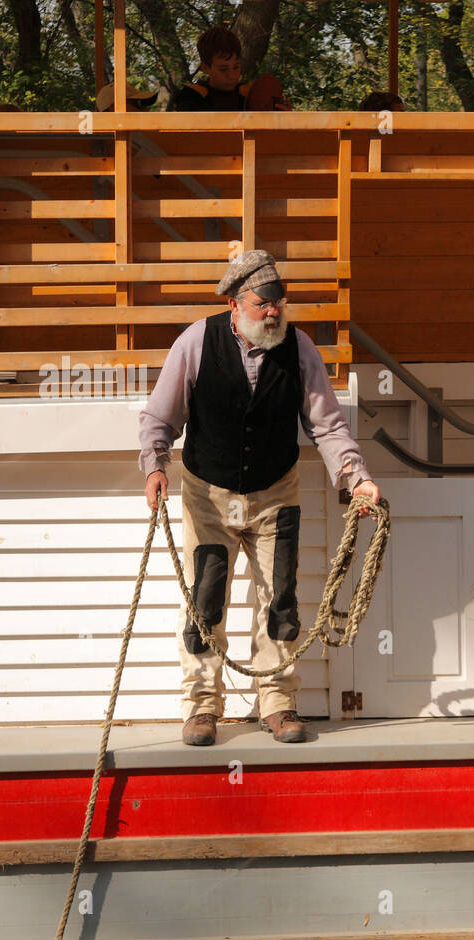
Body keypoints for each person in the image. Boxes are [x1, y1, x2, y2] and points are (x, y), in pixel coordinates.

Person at [139, 250, 381, 746]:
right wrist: (155, 468)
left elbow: (327, 424)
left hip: (275, 493)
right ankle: (202, 707)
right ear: (235, 303)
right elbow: (160, 418)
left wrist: (355, 477)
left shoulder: (299, 349)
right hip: (208, 495)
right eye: (262, 302)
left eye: (278, 303)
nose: (273, 312)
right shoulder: (196, 342)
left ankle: (277, 702)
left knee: (281, 601)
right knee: (205, 602)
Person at [169, 26, 292, 112]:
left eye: (236, 67)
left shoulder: (252, 94)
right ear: (205, 67)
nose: (232, 75)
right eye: (223, 69)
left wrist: (282, 120)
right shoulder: (191, 97)